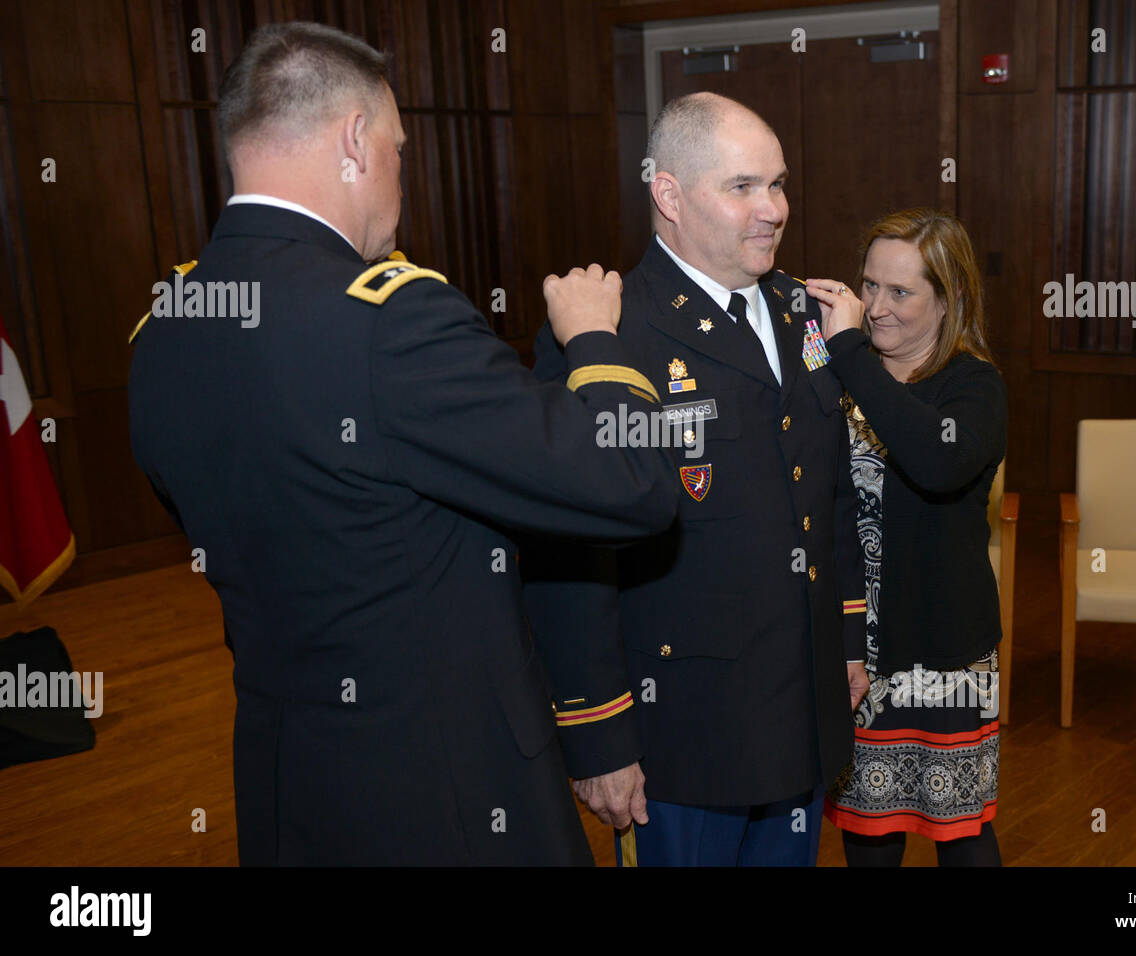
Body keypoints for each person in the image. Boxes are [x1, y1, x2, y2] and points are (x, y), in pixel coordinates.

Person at [127, 21, 680, 865]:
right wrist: (595, 345)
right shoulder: (388, 318)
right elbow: (630, 482)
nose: (399, 174)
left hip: (289, 779)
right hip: (449, 791)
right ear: (353, 139)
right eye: (397, 146)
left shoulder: (166, 326)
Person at [525, 92, 864, 866]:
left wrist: (846, 636)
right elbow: (567, 550)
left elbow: (829, 487)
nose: (773, 208)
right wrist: (597, 728)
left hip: (801, 710)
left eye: (777, 184)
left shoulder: (796, 310)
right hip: (680, 735)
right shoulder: (608, 332)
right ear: (669, 195)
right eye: (742, 186)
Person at [807, 208, 1006, 866]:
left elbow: (936, 459)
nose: (875, 307)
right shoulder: (841, 371)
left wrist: (849, 354)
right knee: (867, 834)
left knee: (963, 837)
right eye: (868, 286)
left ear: (948, 301)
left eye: (900, 292)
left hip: (943, 652)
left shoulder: (974, 386)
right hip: (853, 650)